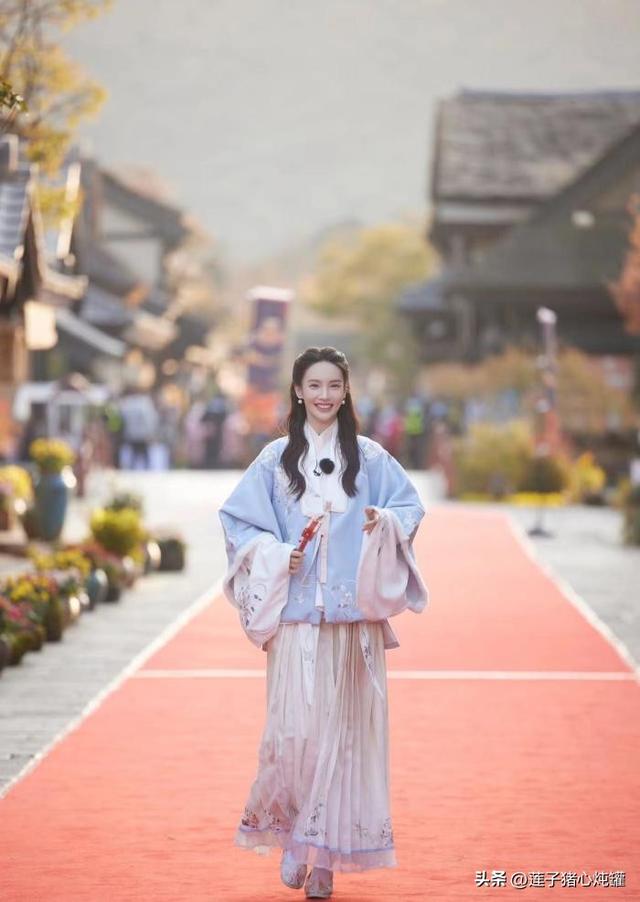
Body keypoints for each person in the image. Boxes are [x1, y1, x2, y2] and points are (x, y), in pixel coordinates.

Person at [218, 346, 429, 899]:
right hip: (295, 619)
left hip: (351, 622)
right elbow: (238, 520)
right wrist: (273, 552)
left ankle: (325, 858)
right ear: (297, 391)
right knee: (293, 736)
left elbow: (409, 508)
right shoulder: (273, 461)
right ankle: (294, 840)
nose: (324, 395)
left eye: (334, 385)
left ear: (345, 391)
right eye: (314, 385)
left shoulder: (371, 459)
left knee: (343, 742)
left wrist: (382, 522)